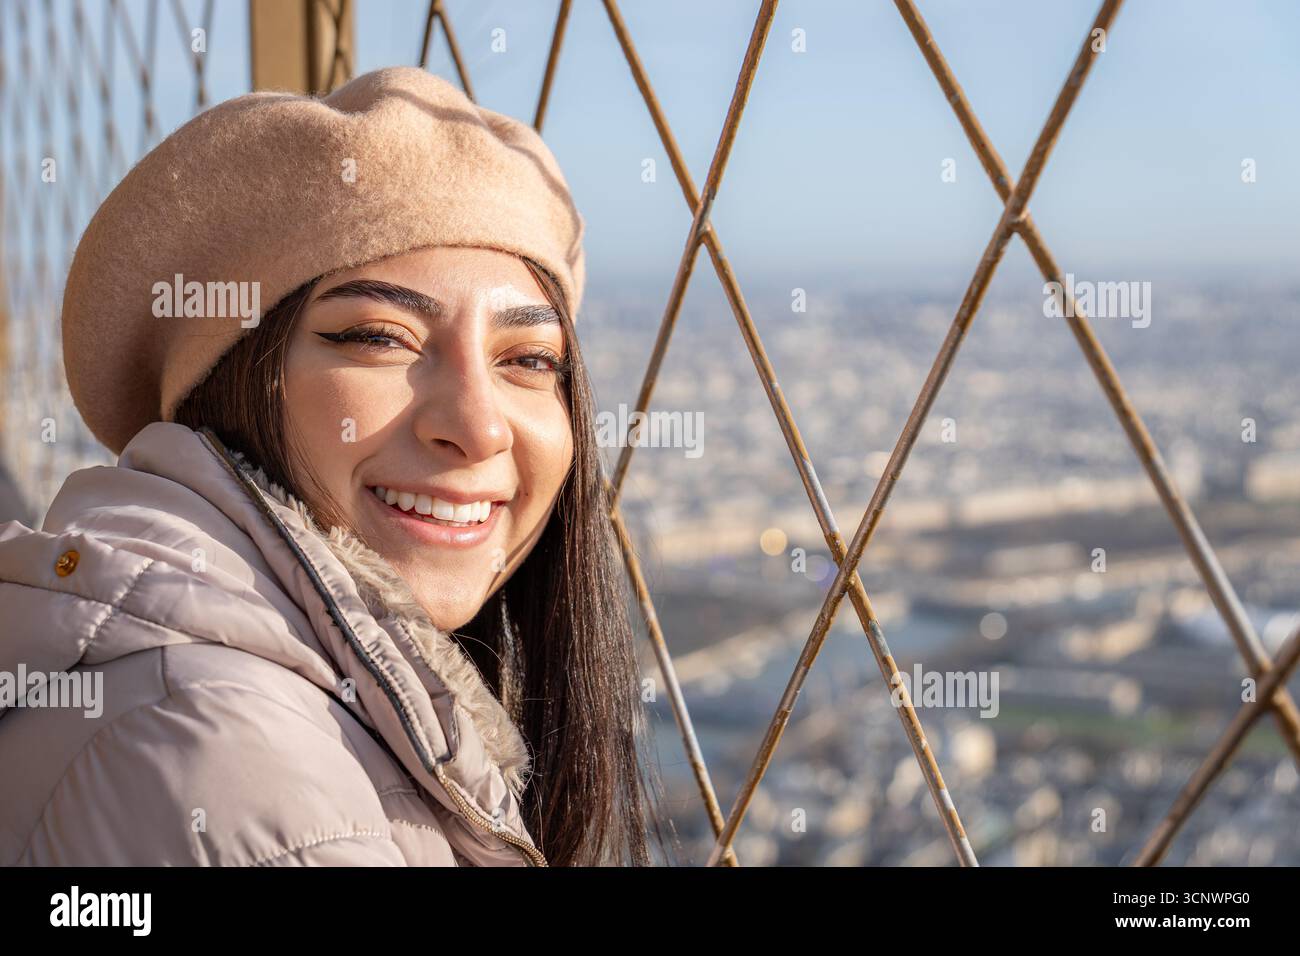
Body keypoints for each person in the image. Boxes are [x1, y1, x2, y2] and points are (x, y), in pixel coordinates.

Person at [0, 66, 670, 867]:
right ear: (236, 381)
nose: (480, 424)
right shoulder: (236, 771)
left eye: (528, 358)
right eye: (378, 338)